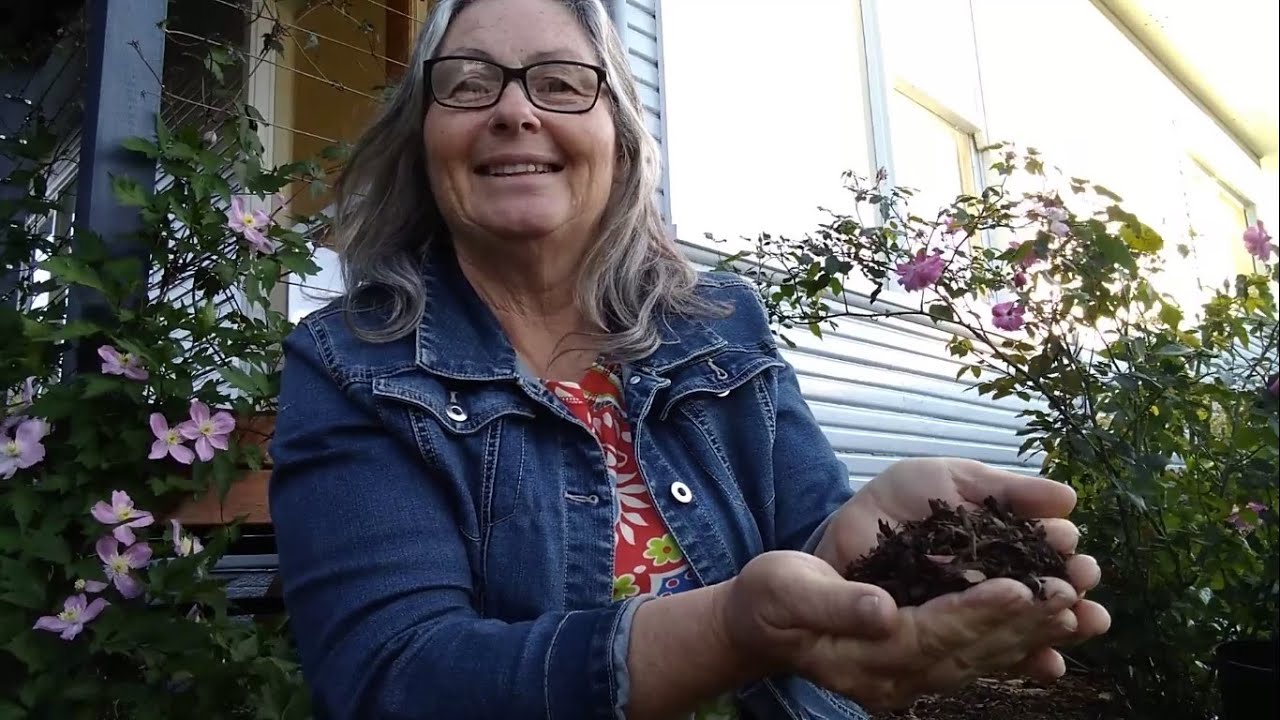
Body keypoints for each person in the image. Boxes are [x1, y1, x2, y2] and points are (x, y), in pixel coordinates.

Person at [267, 0, 1111, 718]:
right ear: (423, 136)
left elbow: (812, 548)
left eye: (560, 82)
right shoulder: (351, 362)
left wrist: (865, 538)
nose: (515, 112)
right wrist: (728, 630)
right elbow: (395, 676)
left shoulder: (718, 322)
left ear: (620, 136)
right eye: (468, 82)